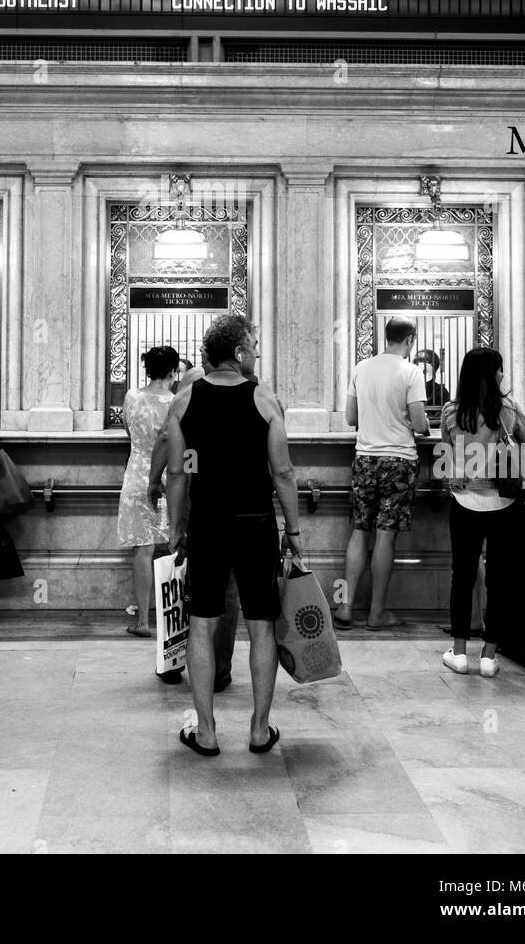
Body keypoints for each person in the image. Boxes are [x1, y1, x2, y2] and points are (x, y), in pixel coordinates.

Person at [166, 314, 301, 756]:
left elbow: (179, 473)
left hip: (207, 525)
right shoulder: (265, 400)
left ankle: (205, 733)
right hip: (255, 524)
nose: (257, 353)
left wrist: (178, 529)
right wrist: (293, 530)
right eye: (254, 346)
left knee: (202, 627)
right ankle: (259, 730)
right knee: (262, 626)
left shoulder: (184, 403)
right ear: (240, 352)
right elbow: (281, 471)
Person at [440, 347, 525, 676]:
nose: (502, 375)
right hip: (504, 503)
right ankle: (489, 657)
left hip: (465, 501)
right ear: (490, 374)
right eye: (499, 370)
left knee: (462, 578)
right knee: (499, 579)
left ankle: (458, 653)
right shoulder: (509, 410)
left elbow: (449, 451)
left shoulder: (452, 411)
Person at [148, 340, 238, 690]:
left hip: (193, 497)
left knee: (179, 579)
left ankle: (173, 661)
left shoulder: (190, 389)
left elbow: (164, 441)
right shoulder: (252, 389)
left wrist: (154, 482)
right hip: (235, 501)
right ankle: (219, 670)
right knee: (227, 590)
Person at [335, 316, 429, 631]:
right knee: (386, 535)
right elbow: (418, 423)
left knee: (360, 531)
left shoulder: (361, 368)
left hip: (365, 458)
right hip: (399, 461)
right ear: (410, 339)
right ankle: (377, 613)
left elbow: (350, 417)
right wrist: (424, 427)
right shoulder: (411, 372)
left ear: (385, 337)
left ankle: (345, 608)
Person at [118, 346, 180, 637]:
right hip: (167, 477)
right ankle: (175, 616)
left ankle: (143, 620)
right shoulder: (177, 401)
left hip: (136, 476)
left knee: (143, 550)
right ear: (173, 370)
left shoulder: (132, 396)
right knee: (173, 546)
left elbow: (130, 433)